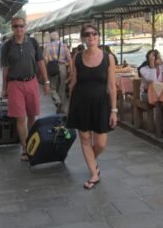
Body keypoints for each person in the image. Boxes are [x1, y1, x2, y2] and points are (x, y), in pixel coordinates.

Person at [67, 24, 117, 190]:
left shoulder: (108, 58)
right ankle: (94, 173)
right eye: (87, 34)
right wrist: (69, 106)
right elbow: (73, 81)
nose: (91, 37)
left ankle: (90, 161)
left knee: (101, 143)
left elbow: (111, 86)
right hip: (80, 102)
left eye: (94, 33)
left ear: (98, 36)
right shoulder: (77, 58)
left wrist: (114, 110)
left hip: (102, 104)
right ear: (83, 38)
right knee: (85, 139)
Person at [1, 16, 50, 161]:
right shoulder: (7, 46)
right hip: (15, 84)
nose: (19, 29)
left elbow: (40, 63)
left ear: (25, 27)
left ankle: (32, 144)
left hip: (32, 82)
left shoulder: (33, 42)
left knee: (32, 116)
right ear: (12, 28)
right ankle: (24, 148)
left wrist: (46, 81)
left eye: (21, 26)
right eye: (16, 26)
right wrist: (4, 88)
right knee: (20, 117)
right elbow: (5, 69)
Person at [44, 29, 72, 114]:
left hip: (53, 67)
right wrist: (70, 68)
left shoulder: (47, 46)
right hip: (62, 67)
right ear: (58, 37)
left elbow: (45, 59)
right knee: (62, 88)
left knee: (52, 87)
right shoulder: (64, 45)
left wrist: (46, 69)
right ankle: (62, 108)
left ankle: (58, 102)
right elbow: (69, 58)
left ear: (51, 37)